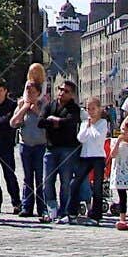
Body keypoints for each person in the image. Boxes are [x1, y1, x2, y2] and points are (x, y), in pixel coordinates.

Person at [40, 80, 82, 223]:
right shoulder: (50, 105)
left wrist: (54, 120)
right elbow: (41, 122)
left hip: (68, 149)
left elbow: (70, 123)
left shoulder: (74, 108)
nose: (62, 93)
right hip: (50, 148)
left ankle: (65, 210)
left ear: (72, 95)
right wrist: (55, 122)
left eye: (66, 91)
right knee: (47, 181)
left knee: (65, 182)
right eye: (60, 89)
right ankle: (51, 208)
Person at [12, 80, 48, 218]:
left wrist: (36, 111)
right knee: (27, 177)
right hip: (25, 145)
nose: (31, 95)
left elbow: (46, 122)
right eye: (28, 92)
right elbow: (13, 123)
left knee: (39, 177)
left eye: (33, 92)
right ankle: (27, 206)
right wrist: (23, 108)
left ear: (38, 93)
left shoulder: (43, 104)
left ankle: (42, 208)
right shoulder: (22, 104)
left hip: (40, 145)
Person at [0, 79, 22, 214]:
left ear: (5, 91)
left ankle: (16, 202)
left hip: (6, 145)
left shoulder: (12, 105)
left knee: (9, 175)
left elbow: (9, 121)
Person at [72, 98, 109, 224]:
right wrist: (87, 126)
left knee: (97, 186)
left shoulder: (103, 123)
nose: (91, 112)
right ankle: (71, 212)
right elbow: (81, 138)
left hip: (98, 156)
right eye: (88, 109)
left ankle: (96, 215)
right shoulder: (84, 123)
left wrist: (91, 126)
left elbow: (98, 138)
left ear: (99, 109)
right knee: (75, 183)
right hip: (85, 156)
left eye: (93, 109)